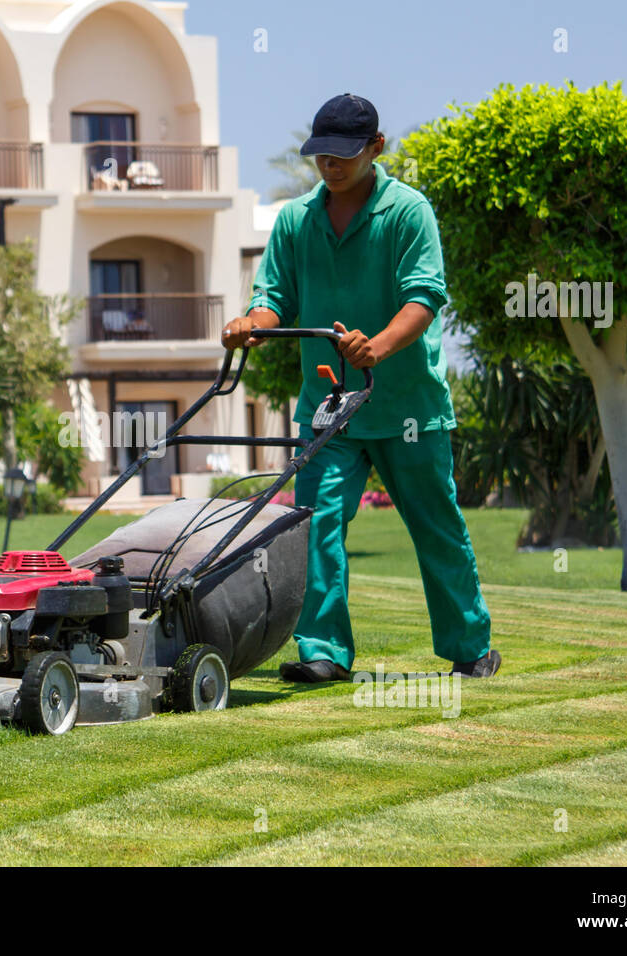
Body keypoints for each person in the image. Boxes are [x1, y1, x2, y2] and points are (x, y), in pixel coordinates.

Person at [222, 93, 500, 682]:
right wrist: (253, 324)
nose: (332, 165)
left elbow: (423, 297)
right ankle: (323, 653)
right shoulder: (296, 220)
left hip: (408, 408)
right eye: (322, 154)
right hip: (329, 410)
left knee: (436, 527)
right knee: (317, 524)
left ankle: (470, 647)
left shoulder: (409, 212)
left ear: (376, 148)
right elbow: (272, 297)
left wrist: (378, 346)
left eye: (345, 154)